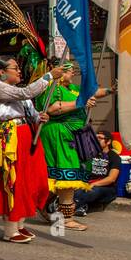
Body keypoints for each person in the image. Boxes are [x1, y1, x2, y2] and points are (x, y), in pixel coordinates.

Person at [0, 56, 66, 243]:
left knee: (31, 179)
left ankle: (20, 223)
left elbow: (30, 111)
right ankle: (10, 229)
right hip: (9, 136)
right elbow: (29, 92)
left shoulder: (16, 90)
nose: (19, 71)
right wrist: (49, 76)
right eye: (15, 68)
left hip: (25, 134)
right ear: (2, 72)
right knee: (13, 180)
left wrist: (39, 117)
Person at [36, 63, 114, 231]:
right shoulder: (51, 87)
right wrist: (82, 102)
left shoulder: (71, 87)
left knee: (67, 174)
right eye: (70, 70)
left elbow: (93, 93)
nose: (73, 73)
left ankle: (41, 204)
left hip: (73, 135)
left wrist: (111, 90)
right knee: (66, 175)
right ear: (61, 72)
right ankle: (65, 219)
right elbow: (53, 108)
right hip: (59, 133)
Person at [74, 130, 121, 214]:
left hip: (106, 188)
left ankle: (69, 208)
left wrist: (94, 184)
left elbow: (111, 179)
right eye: (95, 138)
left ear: (109, 142)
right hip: (88, 183)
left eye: (100, 138)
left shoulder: (114, 157)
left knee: (93, 191)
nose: (96, 140)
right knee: (75, 189)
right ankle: (79, 207)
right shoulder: (90, 154)